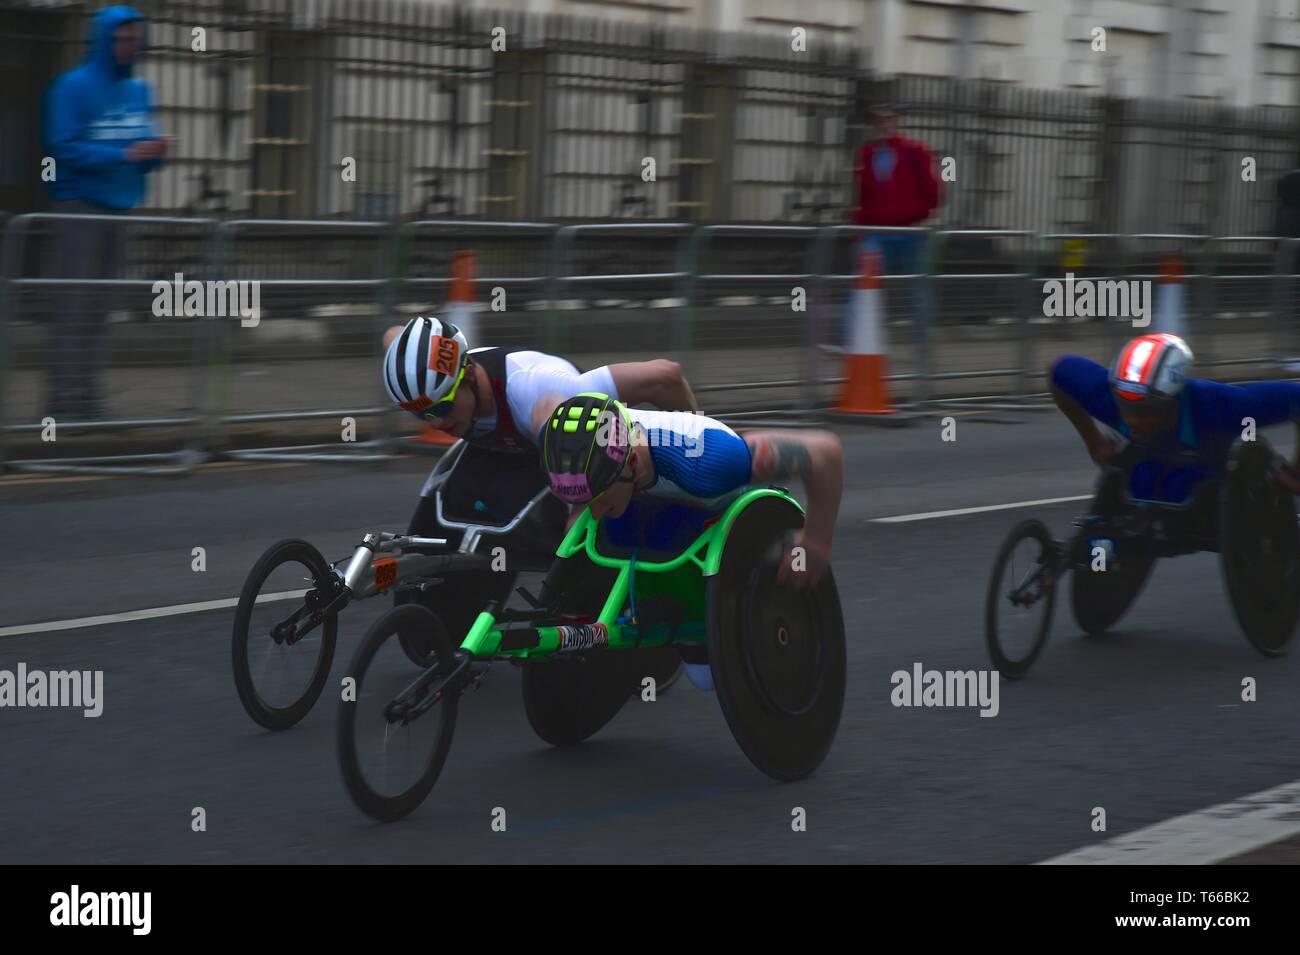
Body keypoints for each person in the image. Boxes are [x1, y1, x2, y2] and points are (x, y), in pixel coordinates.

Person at [382, 317, 698, 653]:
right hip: (507, 442)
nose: (439, 423)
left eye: (444, 406)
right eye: (423, 415)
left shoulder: (540, 392)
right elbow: (393, 337)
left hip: (568, 439)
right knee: (446, 512)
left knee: (576, 532)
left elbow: (665, 376)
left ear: (470, 372)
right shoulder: (443, 381)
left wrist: (698, 445)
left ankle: (607, 614)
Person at [538, 393, 844, 687]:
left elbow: (824, 452)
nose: (594, 511)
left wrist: (816, 541)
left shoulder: (711, 461)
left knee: (705, 678)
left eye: (599, 497)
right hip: (645, 502)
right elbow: (548, 404)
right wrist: (577, 507)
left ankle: (681, 622)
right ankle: (643, 607)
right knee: (597, 533)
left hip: (706, 507)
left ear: (631, 461)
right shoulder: (573, 434)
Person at [43, 5, 171, 419]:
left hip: (120, 208)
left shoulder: (139, 91)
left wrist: (153, 154)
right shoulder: (70, 87)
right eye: (123, 39)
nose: (130, 47)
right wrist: (122, 154)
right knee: (74, 307)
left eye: (136, 39)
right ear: (104, 40)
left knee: (101, 310)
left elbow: (138, 147)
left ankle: (90, 401)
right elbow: (62, 148)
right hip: (79, 206)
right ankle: (63, 402)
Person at [1049, 333, 1300, 519]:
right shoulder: (1108, 394)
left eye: (1144, 412)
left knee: (1184, 487)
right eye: (1125, 407)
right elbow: (1058, 371)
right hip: (1146, 474)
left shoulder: (1224, 407)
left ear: (1172, 399)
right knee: (1124, 490)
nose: (1131, 419)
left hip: (1206, 483)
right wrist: (1093, 440)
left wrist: (1295, 469)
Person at [851, 104, 941, 350]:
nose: (884, 125)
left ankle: (922, 343)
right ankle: (861, 340)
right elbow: (864, 193)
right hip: (877, 229)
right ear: (875, 125)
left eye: (889, 120)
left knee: (917, 287)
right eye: (879, 121)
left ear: (897, 123)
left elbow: (933, 188)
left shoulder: (915, 151)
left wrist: (918, 214)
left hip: (908, 229)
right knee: (867, 284)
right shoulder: (867, 153)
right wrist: (861, 224)